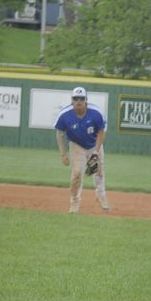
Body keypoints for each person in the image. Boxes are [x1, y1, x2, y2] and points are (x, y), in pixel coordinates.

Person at [54, 86, 109, 214]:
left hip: (94, 144)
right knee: (77, 174)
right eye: (75, 98)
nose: (78, 101)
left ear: (86, 100)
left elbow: (101, 132)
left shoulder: (96, 113)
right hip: (76, 145)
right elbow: (60, 134)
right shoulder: (65, 115)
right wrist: (63, 154)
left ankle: (101, 196)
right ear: (71, 100)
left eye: (81, 98)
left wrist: (96, 151)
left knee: (99, 172)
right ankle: (74, 202)